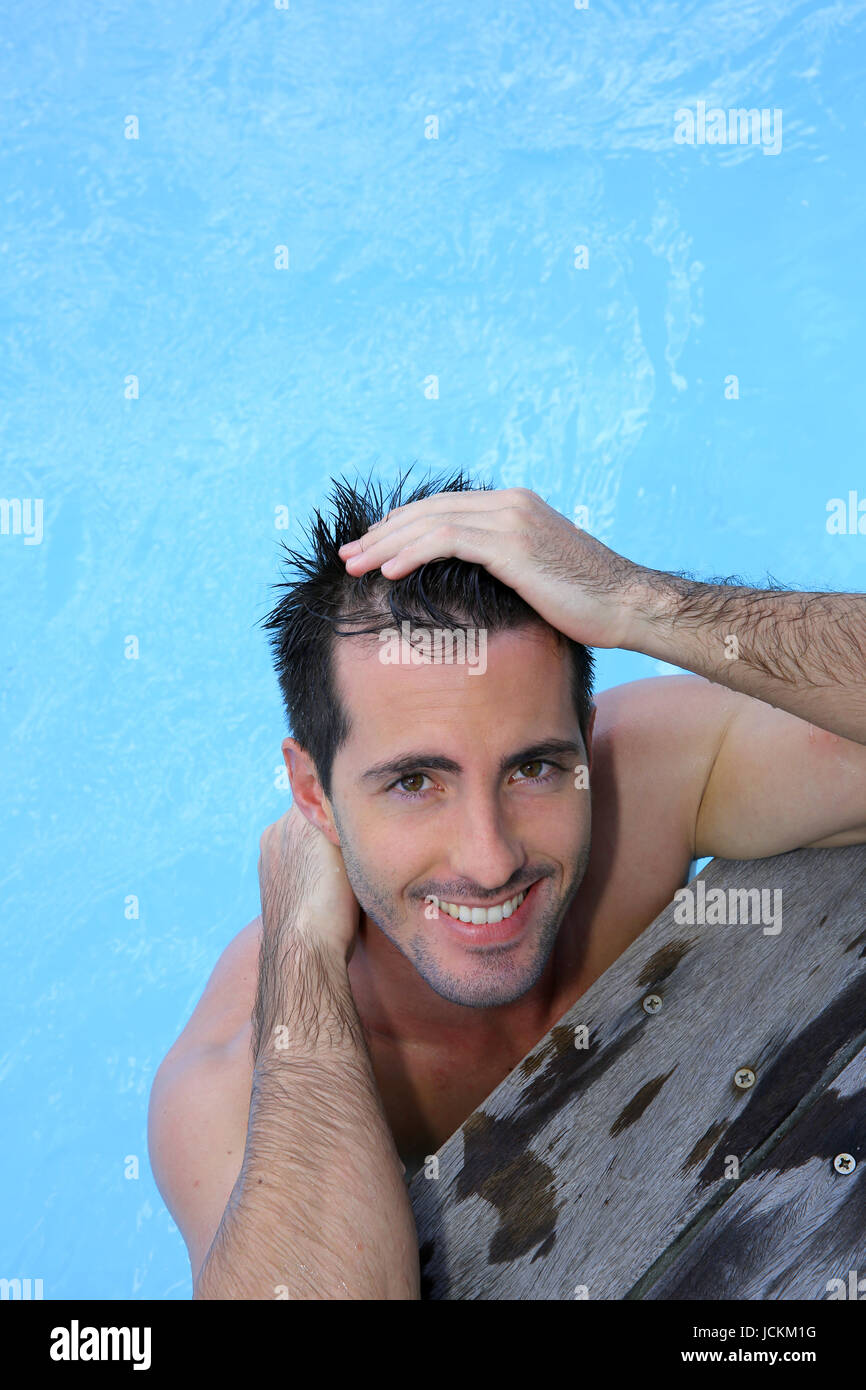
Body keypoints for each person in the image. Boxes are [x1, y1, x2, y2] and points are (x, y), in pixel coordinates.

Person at [147, 471, 866, 1299]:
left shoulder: (643, 783)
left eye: (533, 768)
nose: (491, 862)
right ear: (313, 795)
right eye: (415, 782)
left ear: (584, 743)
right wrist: (302, 942)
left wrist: (643, 602)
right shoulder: (230, 1080)